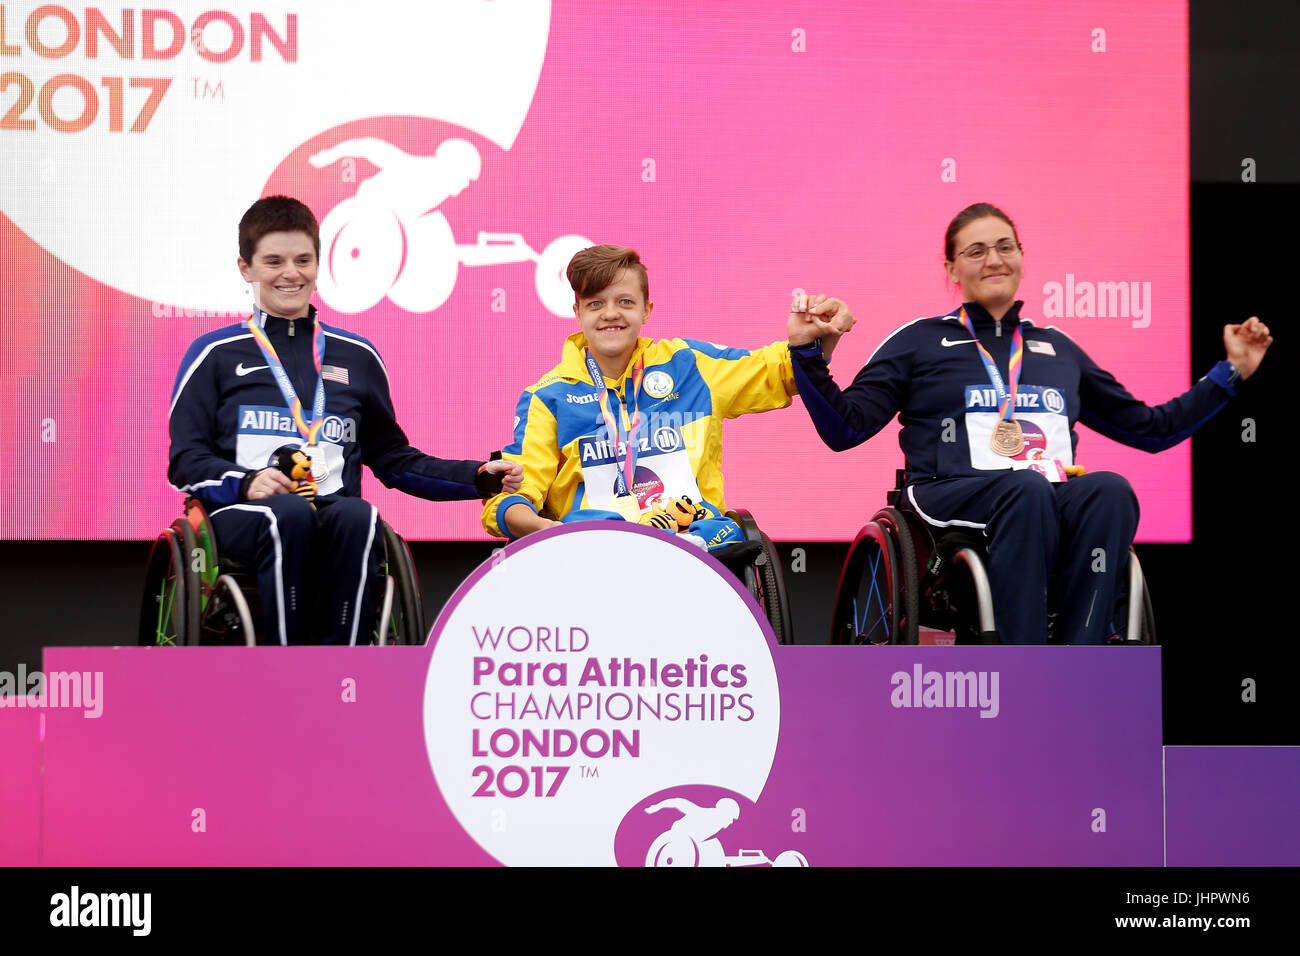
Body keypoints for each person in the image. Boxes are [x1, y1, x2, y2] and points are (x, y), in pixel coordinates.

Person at [788, 202, 1272, 644]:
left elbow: (1150, 428)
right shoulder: (920, 341)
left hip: (1043, 498)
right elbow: (845, 428)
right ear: (951, 268)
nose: (994, 259)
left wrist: (1230, 373)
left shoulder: (1058, 348)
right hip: (949, 496)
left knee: (1110, 490)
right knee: (1026, 490)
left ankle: (1077, 660)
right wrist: (807, 355)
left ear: (1022, 255)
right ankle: (1027, 666)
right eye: (975, 251)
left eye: (1005, 247)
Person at [168, 195, 521, 645]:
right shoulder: (214, 355)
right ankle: (285, 669)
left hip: (331, 511)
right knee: (287, 516)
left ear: (318, 263)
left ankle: (344, 671)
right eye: (273, 261)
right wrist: (245, 482)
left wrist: (478, 477)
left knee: (359, 515)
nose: (290, 273)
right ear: (246, 268)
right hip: (244, 514)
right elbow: (186, 460)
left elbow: (395, 460)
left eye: (303, 260)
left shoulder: (357, 356)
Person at [480, 244, 848, 543]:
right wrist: (551, 531)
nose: (611, 314)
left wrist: (811, 341)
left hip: (692, 545)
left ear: (647, 311)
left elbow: (785, 373)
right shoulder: (548, 397)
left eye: (625, 302)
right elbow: (513, 495)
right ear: (577, 313)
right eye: (596, 303)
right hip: (593, 553)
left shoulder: (689, 366)